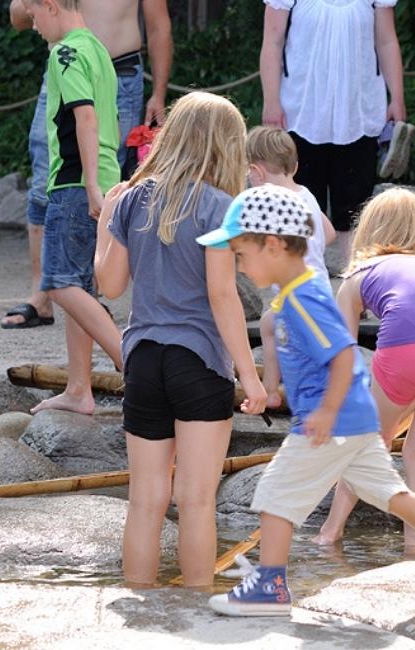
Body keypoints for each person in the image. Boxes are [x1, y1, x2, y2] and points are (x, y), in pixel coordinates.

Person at [199, 185, 415, 617]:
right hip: (352, 419)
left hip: (331, 421)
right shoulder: (296, 294)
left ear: (274, 245)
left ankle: (271, 587)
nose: (239, 266)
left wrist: (327, 411)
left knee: (274, 493)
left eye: (241, 254)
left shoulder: (302, 298)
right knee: (390, 491)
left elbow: (341, 355)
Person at [94, 91, 268, 587]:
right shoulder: (221, 206)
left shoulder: (130, 199)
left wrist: (107, 222)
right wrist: (251, 378)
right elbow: (222, 296)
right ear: (225, 146)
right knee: (195, 501)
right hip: (198, 363)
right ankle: (194, 616)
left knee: (145, 501)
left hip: (144, 359)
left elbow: (108, 286)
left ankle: (141, 604)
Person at [313, 188, 415, 550]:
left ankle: (330, 532)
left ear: (369, 230)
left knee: (369, 445)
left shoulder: (357, 276)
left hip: (406, 348)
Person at [5, 0, 172, 328]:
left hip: (119, 70)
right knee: (44, 182)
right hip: (67, 63)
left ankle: (87, 293)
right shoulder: (58, 33)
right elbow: (19, 16)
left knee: (107, 184)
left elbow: (158, 24)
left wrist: (159, 93)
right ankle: (44, 292)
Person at [20, 0, 125, 415]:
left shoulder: (64, 52)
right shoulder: (98, 48)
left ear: (50, 6)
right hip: (101, 177)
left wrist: (91, 186)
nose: (32, 25)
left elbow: (85, 118)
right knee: (79, 286)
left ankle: (129, 361)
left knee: (59, 283)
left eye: (33, 15)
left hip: (76, 182)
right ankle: (79, 388)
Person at [258, 0, 405, 268]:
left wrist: (397, 97)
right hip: (301, 111)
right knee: (301, 208)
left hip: (358, 111)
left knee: (356, 209)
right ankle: (300, 294)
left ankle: (356, 292)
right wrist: (271, 102)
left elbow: (386, 41)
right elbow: (272, 43)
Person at [245, 125, 335, 408]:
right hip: (320, 288)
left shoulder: (269, 202)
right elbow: (329, 232)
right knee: (275, 327)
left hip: (296, 293)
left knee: (281, 334)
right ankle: (277, 390)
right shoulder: (306, 193)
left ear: (256, 172)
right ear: (294, 166)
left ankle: (274, 390)